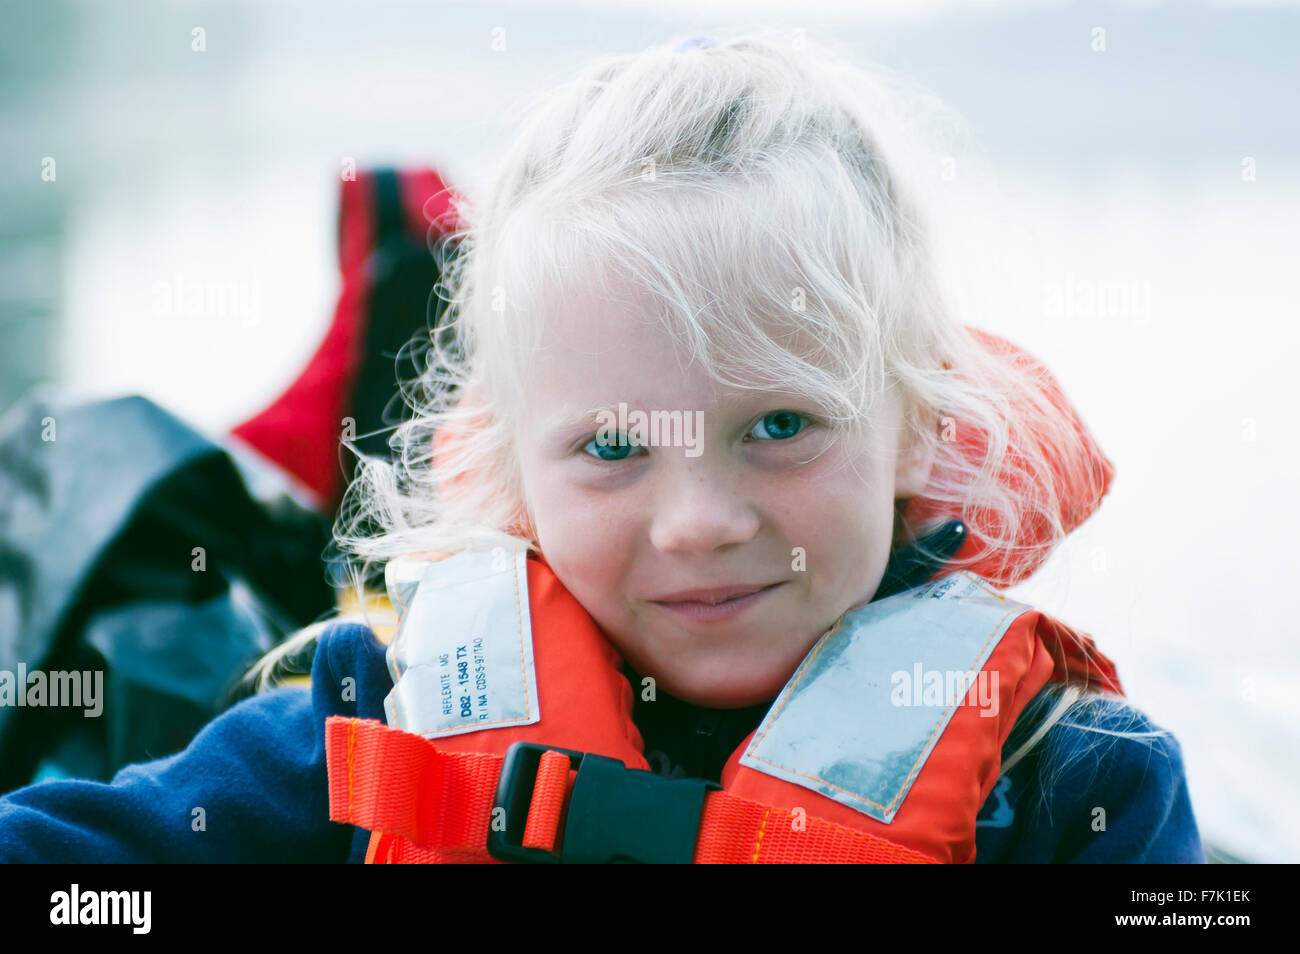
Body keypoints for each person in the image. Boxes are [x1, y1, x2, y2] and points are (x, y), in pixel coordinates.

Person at [0, 32, 1203, 863]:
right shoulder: (373, 713)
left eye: (778, 426)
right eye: (613, 447)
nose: (699, 522)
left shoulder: (1076, 782)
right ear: (508, 470)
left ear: (920, 430)